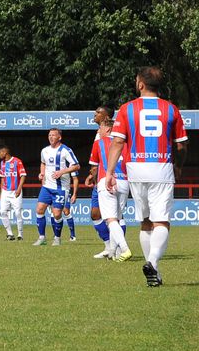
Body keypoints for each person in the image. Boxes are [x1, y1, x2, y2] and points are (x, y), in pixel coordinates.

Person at [107, 66, 188, 287]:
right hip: (161, 168)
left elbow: (117, 142)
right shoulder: (171, 109)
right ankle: (152, 262)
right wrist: (178, 166)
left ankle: (154, 270)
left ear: (141, 84)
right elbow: (182, 146)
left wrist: (110, 172)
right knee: (161, 221)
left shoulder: (126, 109)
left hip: (135, 169)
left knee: (145, 222)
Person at [89, 112, 130, 261]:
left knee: (110, 220)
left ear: (107, 130)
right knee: (118, 218)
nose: (98, 131)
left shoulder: (99, 143)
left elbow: (94, 167)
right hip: (124, 182)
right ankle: (114, 252)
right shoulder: (125, 144)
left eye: (100, 128)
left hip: (106, 181)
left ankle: (125, 249)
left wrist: (94, 180)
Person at [34, 128, 79, 246]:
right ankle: (42, 237)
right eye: (49, 135)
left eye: (53, 135)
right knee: (39, 209)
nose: (51, 137)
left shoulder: (66, 150)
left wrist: (62, 172)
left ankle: (57, 238)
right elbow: (43, 163)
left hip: (61, 188)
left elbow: (76, 166)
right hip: (47, 186)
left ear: (59, 137)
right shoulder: (44, 150)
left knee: (57, 214)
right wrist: (42, 173)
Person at [0, 146, 25, 241]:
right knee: (2, 212)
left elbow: (23, 176)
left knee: (17, 213)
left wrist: (19, 188)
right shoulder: (2, 163)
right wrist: (1, 193)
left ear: (5, 152)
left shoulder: (17, 161)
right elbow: (2, 178)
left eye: (0, 152)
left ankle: (20, 234)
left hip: (15, 191)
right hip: (5, 191)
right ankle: (10, 234)